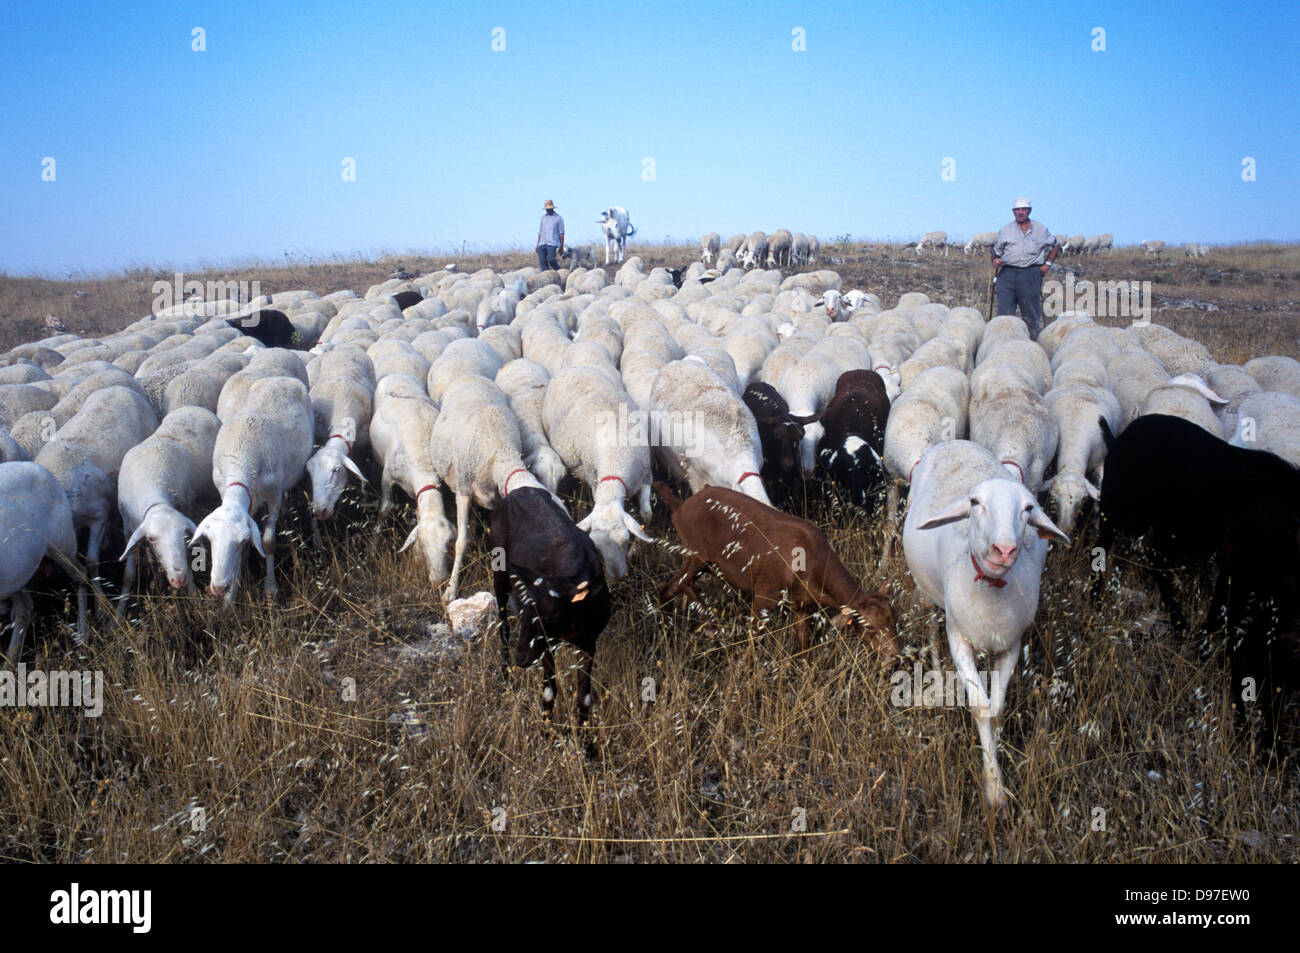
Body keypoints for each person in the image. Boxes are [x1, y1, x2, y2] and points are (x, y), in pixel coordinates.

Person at [991, 197, 1058, 339]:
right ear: (1013, 212)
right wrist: (995, 260)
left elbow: (1056, 245)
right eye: (1017, 210)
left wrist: (1047, 265)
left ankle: (1033, 343)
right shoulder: (1005, 230)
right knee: (1004, 313)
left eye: (1024, 209)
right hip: (1007, 273)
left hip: (1030, 272)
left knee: (1030, 312)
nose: (1020, 212)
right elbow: (995, 251)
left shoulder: (1040, 229)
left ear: (1029, 211)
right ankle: (1003, 342)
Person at [536, 199, 565, 271]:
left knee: (550, 259)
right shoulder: (543, 218)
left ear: (552, 208)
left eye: (549, 209)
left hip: (552, 243)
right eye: (547, 209)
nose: (548, 210)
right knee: (543, 263)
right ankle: (547, 274)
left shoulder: (558, 218)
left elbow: (561, 233)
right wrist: (537, 244)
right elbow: (540, 232)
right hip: (542, 243)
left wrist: (561, 246)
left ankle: (559, 271)